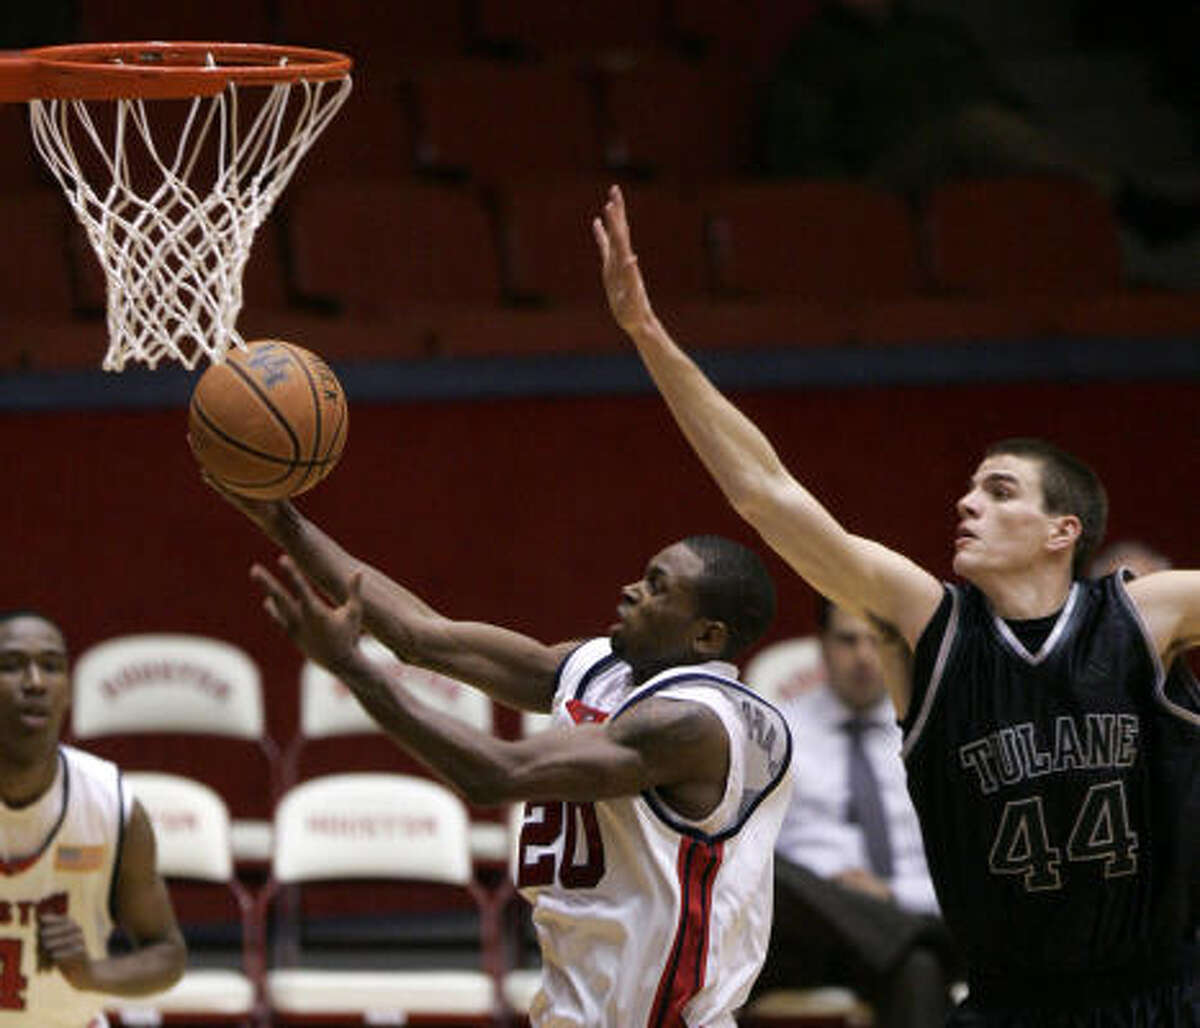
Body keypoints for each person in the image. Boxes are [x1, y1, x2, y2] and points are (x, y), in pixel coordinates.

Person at [594, 184, 1200, 1025]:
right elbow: (768, 496)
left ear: (1064, 529)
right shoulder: (928, 626)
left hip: (1159, 1001)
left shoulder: (1146, 614)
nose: (967, 504)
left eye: (997, 491)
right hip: (1005, 1004)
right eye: (968, 489)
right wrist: (646, 335)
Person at [211, 486, 792, 1027]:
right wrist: (284, 521)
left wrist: (353, 670)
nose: (631, 590)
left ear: (708, 637)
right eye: (643, 576)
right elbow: (421, 636)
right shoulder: (599, 669)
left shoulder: (694, 722)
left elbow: (497, 773)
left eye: (658, 587)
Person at [761, 0, 1200, 247]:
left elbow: (998, 92)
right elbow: (800, 149)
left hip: (969, 162)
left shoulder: (932, 31)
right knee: (977, 129)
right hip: (879, 180)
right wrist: (847, 209)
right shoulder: (818, 51)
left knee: (998, 140)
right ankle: (1125, 200)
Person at [755, 598, 960, 1028]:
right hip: (802, 934)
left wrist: (891, 898)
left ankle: (915, 939)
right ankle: (931, 940)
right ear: (822, 645)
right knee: (763, 869)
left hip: (897, 921)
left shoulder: (935, 733)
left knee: (919, 968)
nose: (864, 658)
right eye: (848, 641)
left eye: (877, 642)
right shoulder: (774, 732)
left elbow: (962, 857)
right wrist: (832, 894)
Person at [0, 610, 186, 1027]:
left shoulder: (110, 802)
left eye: (51, 666)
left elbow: (168, 954)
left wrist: (92, 973)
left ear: (68, 692)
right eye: (11, 666)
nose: (34, 682)